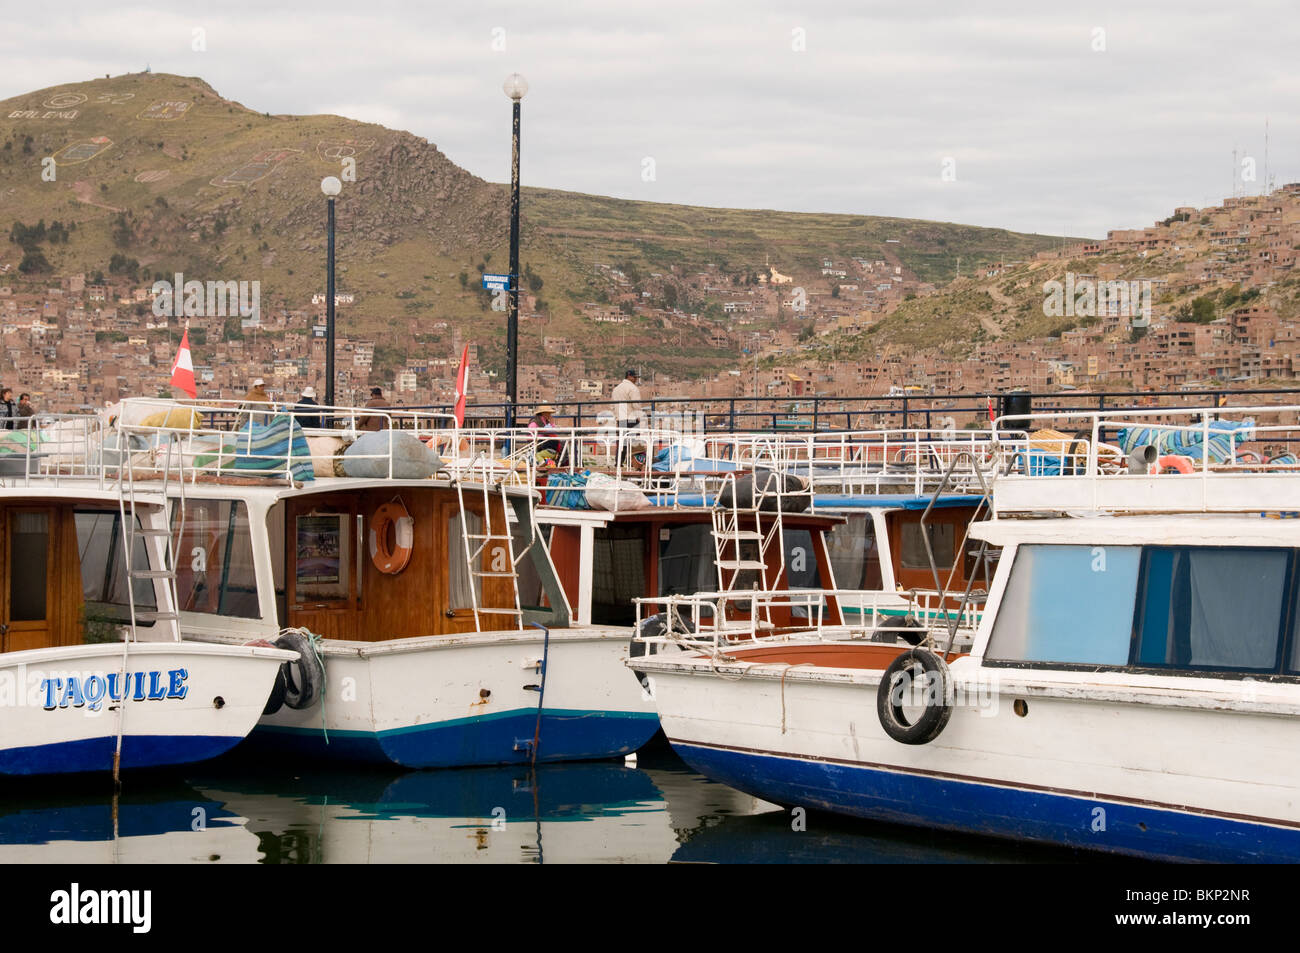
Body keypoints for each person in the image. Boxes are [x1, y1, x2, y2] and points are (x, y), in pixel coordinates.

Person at [610, 369, 643, 467]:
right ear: (629, 376)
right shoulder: (633, 388)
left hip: (621, 419)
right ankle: (636, 464)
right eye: (634, 377)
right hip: (631, 418)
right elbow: (636, 405)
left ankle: (619, 463)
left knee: (621, 443)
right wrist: (639, 417)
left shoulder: (616, 389)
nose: (636, 379)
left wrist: (617, 417)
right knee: (634, 443)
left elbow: (613, 406)